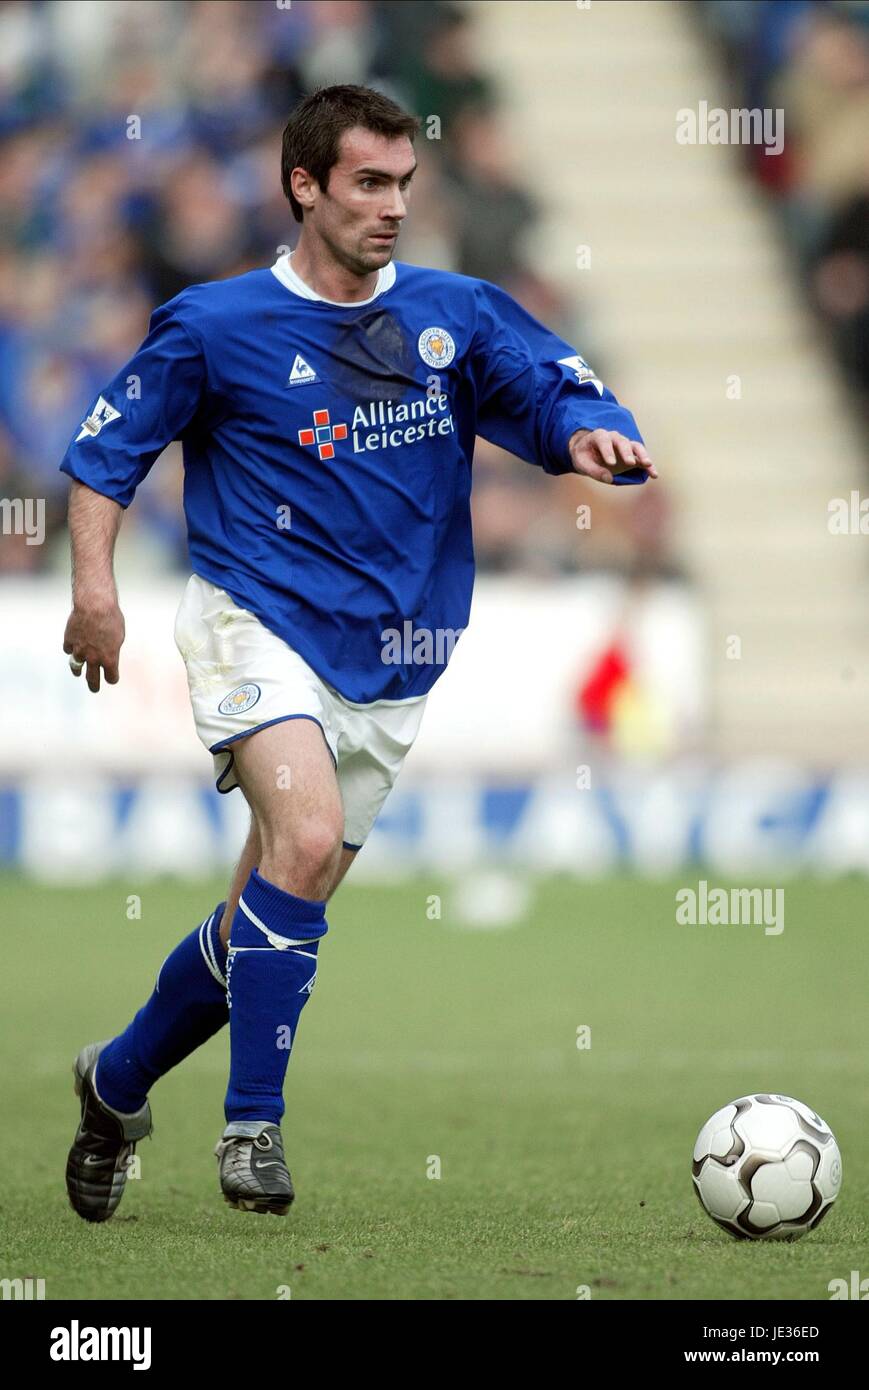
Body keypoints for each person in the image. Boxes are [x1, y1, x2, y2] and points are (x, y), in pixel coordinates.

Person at [59, 84, 655, 1222]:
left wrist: (582, 433)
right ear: (304, 184)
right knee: (309, 835)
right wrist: (95, 592)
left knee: (269, 911)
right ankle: (252, 1129)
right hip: (253, 618)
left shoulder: (453, 311)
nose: (391, 207)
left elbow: (549, 384)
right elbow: (103, 457)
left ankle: (115, 1080)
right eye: (367, 183)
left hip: (391, 662)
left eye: (403, 186)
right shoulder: (214, 325)